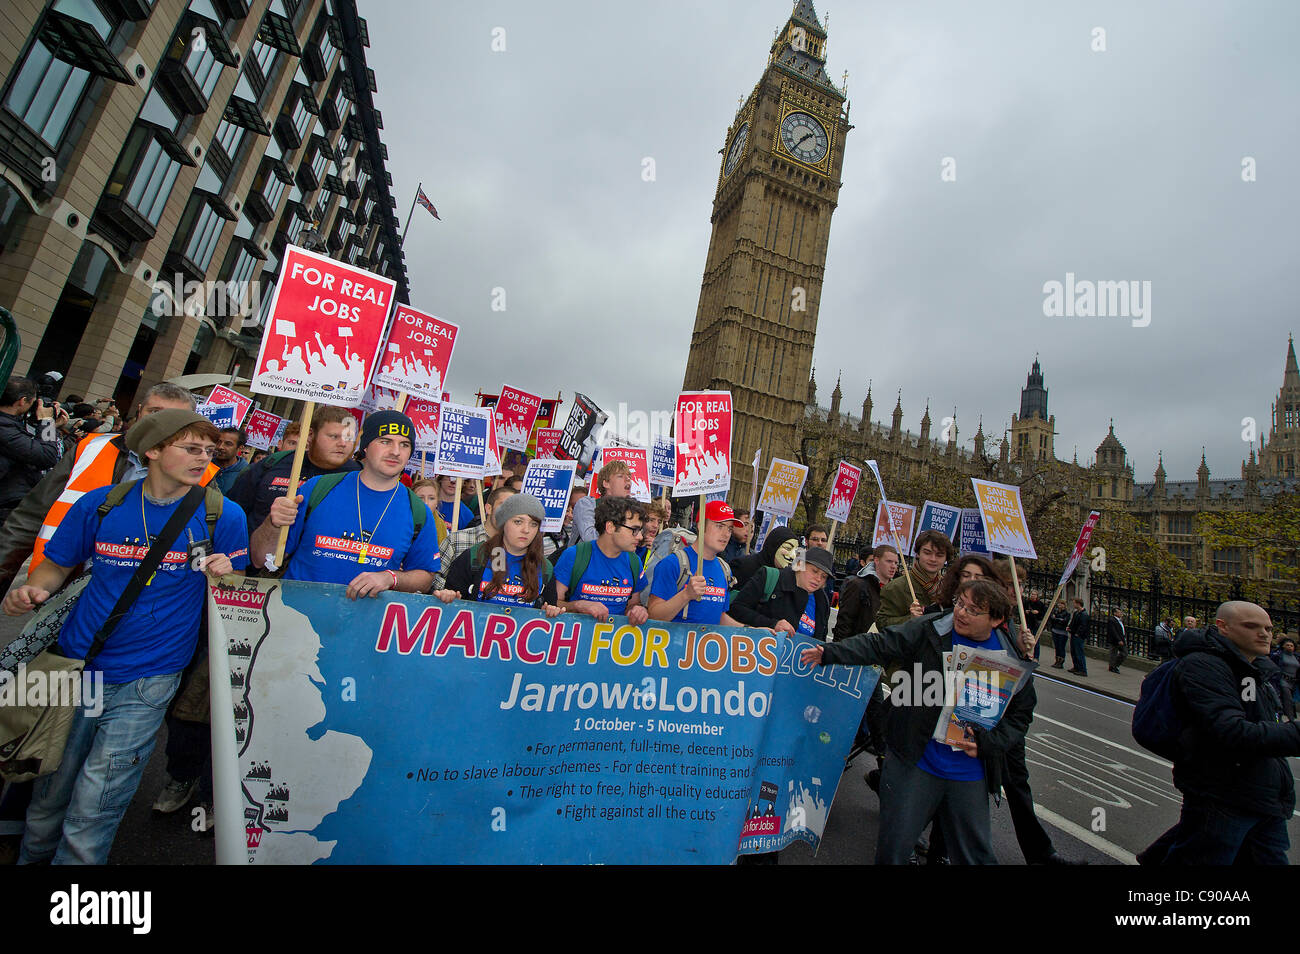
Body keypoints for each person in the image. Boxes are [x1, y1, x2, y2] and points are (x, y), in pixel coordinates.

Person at [2, 410, 249, 865]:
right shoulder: (102, 504)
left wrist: (229, 572)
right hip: (78, 669)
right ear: (152, 451)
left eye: (209, 452)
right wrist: (34, 589)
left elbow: (241, 591)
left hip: (150, 677)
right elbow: (57, 564)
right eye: (191, 448)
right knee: (51, 791)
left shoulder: (222, 515)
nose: (203, 459)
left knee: (99, 801)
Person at [801, 580, 1034, 864]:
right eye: (960, 603)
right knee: (895, 847)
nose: (961, 613)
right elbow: (882, 644)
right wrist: (830, 653)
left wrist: (989, 743)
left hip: (969, 774)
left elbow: (1021, 716)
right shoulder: (932, 628)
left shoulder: (1010, 658)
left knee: (975, 853)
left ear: (996, 620)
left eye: (973, 610)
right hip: (917, 761)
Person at [0, 382, 206, 597]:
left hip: (147, 602)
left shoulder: (204, 475)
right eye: (154, 412)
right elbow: (30, 518)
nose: (161, 422)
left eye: (174, 417)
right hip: (61, 588)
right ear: (139, 411)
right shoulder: (90, 449)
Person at [1138, 602, 1300, 865]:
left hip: (1263, 796)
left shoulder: (1256, 669)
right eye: (1252, 626)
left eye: (1269, 628)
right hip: (1224, 794)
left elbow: (1261, 723)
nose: (1264, 634)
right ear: (1222, 627)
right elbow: (1231, 731)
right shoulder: (1204, 666)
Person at [249, 410, 440, 594]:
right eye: (385, 441)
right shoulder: (317, 489)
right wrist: (273, 524)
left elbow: (425, 577)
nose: (396, 452)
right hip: (296, 615)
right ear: (365, 446)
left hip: (364, 621)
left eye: (405, 444)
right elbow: (260, 558)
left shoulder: (418, 512)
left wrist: (391, 578)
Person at [228, 405, 359, 536]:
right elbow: (232, 514)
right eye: (334, 436)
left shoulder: (358, 476)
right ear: (310, 435)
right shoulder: (273, 464)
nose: (343, 443)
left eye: (348, 437)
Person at [433, 494, 560, 614]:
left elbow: (548, 609)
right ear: (503, 523)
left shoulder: (544, 567)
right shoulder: (475, 556)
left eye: (533, 524)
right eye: (518, 522)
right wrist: (448, 597)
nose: (526, 530)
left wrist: (550, 611)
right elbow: (450, 605)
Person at [553, 496, 649, 624]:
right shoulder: (574, 555)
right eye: (634, 530)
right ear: (610, 527)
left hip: (613, 640)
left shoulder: (634, 561)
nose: (640, 536)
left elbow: (633, 603)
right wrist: (578, 606)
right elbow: (553, 603)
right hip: (575, 637)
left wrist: (637, 611)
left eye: (641, 530)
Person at [647, 500, 743, 625]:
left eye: (730, 529)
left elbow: (719, 617)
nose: (726, 534)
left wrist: (751, 631)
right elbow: (654, 616)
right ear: (700, 525)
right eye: (719, 526)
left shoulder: (724, 569)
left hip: (707, 644)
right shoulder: (673, 563)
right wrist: (686, 595)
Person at [730, 544, 833, 641]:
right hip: (759, 651)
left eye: (824, 576)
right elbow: (736, 608)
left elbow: (820, 638)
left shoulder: (822, 600)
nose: (818, 579)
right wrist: (772, 624)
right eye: (814, 571)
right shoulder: (769, 578)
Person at [0, 376, 65, 528]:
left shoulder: (10, 423)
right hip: (6, 502)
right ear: (22, 401)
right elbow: (47, 456)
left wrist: (51, 426)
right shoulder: (4, 427)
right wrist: (47, 422)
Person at [431, 483, 515, 591]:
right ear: (489, 508)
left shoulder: (518, 548)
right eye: (503, 506)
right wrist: (453, 592)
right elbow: (435, 575)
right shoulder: (457, 540)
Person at [875, 530, 954, 629]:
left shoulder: (948, 589)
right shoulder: (895, 587)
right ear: (918, 553)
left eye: (939, 555)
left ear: (946, 559)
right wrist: (910, 619)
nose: (933, 559)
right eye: (927, 553)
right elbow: (882, 624)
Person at [833, 544, 900, 641]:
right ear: (876, 560)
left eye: (896, 563)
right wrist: (839, 649)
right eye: (889, 561)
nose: (893, 566)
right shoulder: (858, 584)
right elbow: (845, 621)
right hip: (856, 646)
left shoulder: (895, 590)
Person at [568, 459, 633, 545]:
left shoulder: (630, 511)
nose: (628, 479)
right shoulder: (587, 504)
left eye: (629, 476)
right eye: (620, 476)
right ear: (606, 484)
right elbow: (590, 538)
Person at [729, 525, 798, 591]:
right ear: (773, 547)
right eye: (788, 548)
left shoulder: (788, 577)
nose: (793, 556)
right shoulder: (743, 565)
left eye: (796, 551)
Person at [211, 427, 249, 494]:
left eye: (228, 444)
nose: (220, 447)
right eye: (218, 442)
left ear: (240, 448)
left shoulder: (247, 474)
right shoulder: (204, 464)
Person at [1270, 637, 1299, 722]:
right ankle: (1291, 720)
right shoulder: (1278, 655)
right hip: (1281, 680)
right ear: (1283, 646)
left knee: (1290, 700)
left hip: (1293, 682)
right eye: (1287, 645)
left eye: (1291, 645)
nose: (1289, 647)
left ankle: (1282, 718)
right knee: (1287, 699)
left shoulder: (1296, 657)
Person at [1067, 598, 1090, 675]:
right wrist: (1069, 627)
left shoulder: (1084, 614)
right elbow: (1073, 622)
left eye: (1074, 603)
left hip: (1079, 636)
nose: (1073, 605)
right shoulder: (1076, 613)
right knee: (1073, 652)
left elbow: (1083, 626)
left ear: (1078, 604)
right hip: (1073, 634)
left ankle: (1082, 669)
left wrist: (1078, 633)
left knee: (1079, 652)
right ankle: (1076, 666)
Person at [1048, 600, 1071, 668]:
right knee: (1057, 647)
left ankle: (1061, 662)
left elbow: (1064, 621)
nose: (1060, 605)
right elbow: (1052, 618)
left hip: (1062, 632)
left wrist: (1057, 619)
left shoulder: (1067, 613)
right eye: (1059, 604)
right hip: (1055, 630)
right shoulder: (1055, 611)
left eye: (1061, 604)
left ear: (1064, 605)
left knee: (1061, 647)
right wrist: (1058, 619)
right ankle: (1057, 660)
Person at [1107, 608, 1127, 673]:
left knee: (1124, 653)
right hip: (1115, 640)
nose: (1121, 614)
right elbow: (1113, 631)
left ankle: (1115, 665)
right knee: (1113, 653)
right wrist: (1118, 640)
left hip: (1122, 639)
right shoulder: (1112, 620)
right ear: (1115, 613)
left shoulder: (1120, 620)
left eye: (1120, 612)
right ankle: (1112, 667)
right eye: (1119, 612)